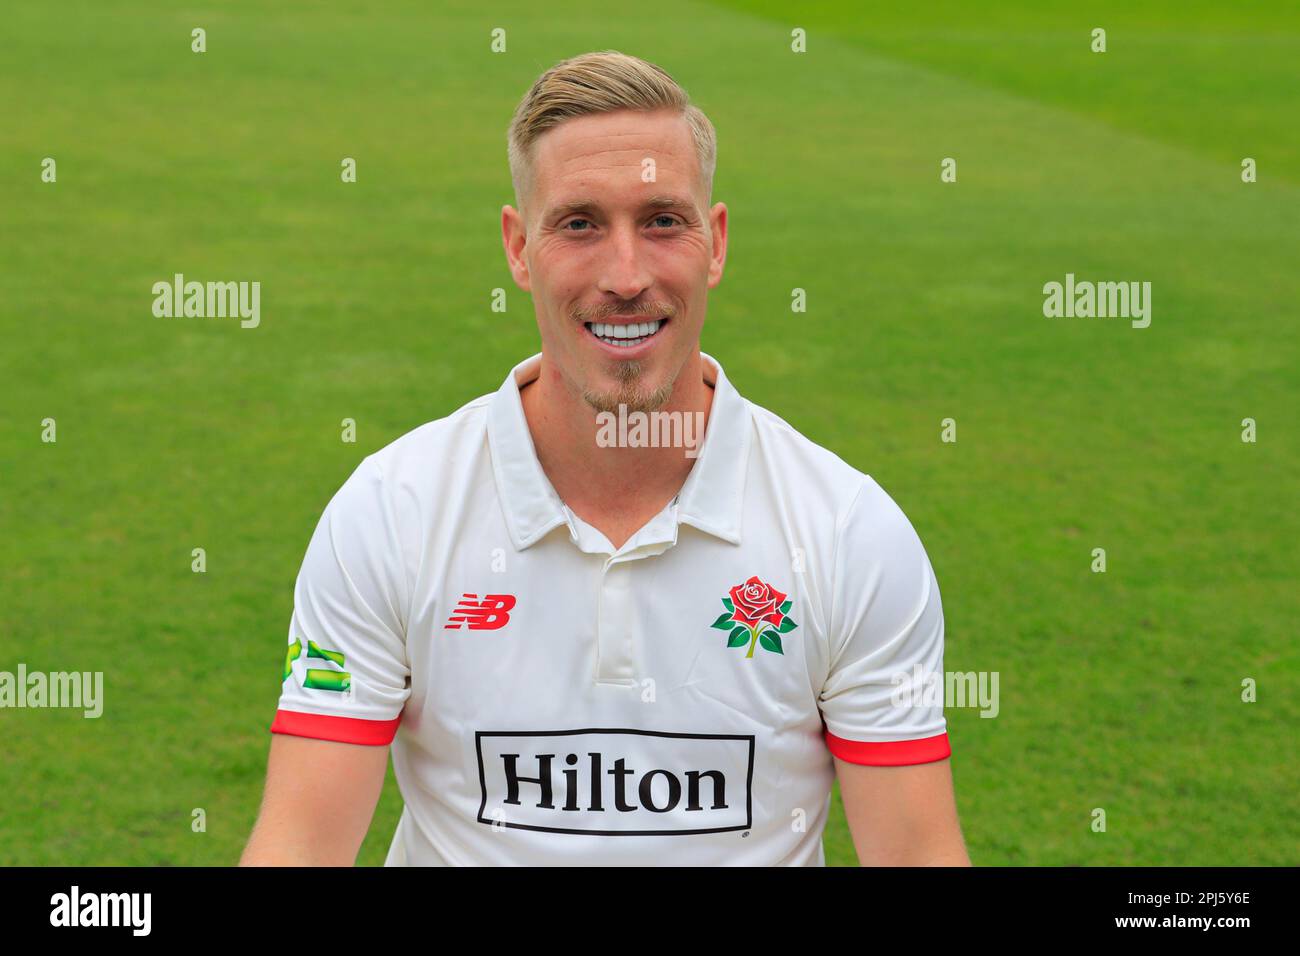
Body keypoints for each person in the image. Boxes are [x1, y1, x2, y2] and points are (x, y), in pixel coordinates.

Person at [241, 50, 970, 866]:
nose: (625, 277)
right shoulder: (393, 511)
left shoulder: (846, 532)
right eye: (580, 224)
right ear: (519, 249)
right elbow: (299, 847)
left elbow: (917, 857)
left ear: (716, 243)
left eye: (662, 221)